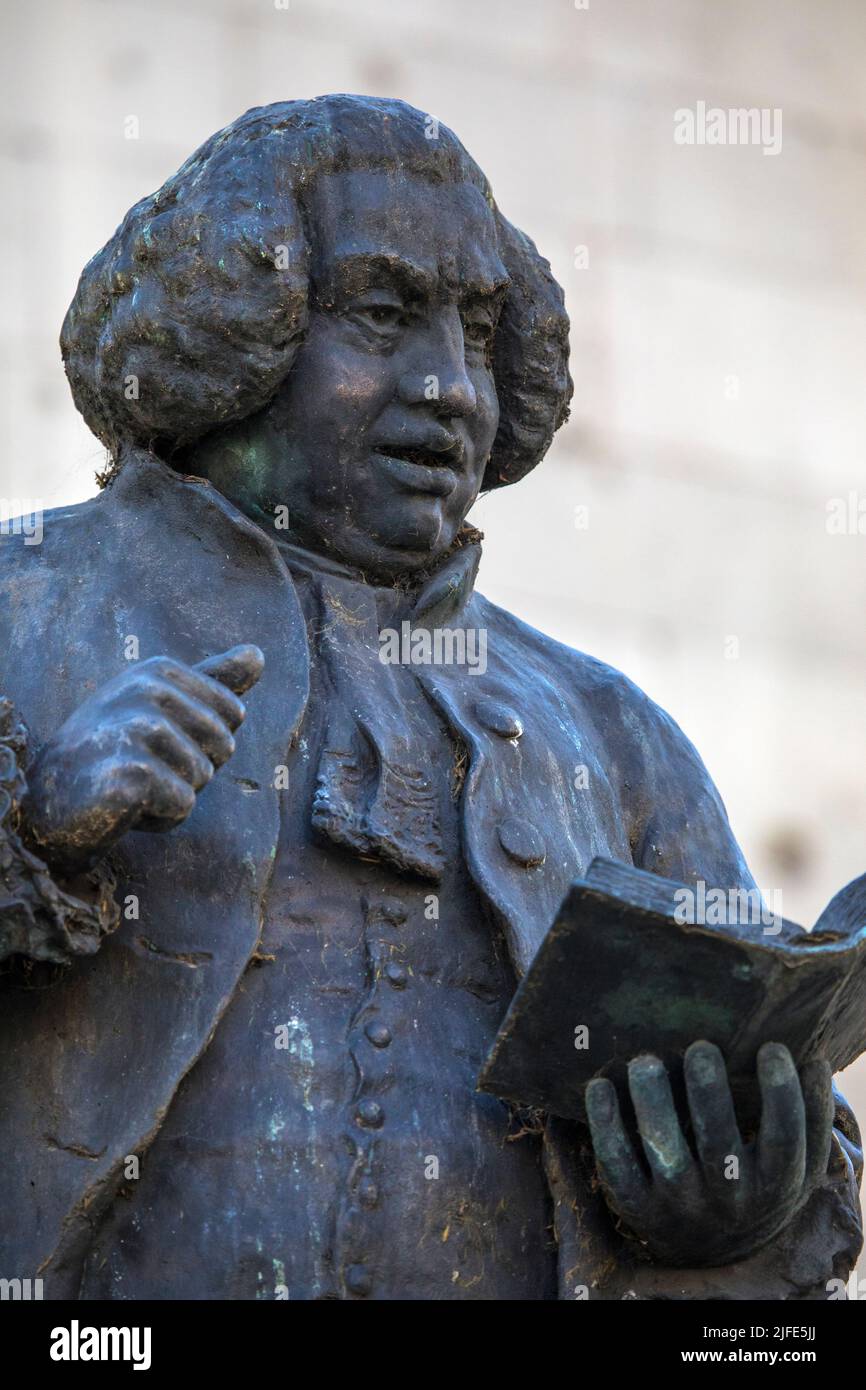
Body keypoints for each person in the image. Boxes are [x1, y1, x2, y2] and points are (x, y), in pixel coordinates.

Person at [0, 95, 859, 1299]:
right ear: (233, 323)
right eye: (386, 315)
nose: (451, 386)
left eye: (477, 330)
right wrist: (28, 839)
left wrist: (735, 1194)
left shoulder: (609, 731)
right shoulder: (22, 608)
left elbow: (784, 1167)